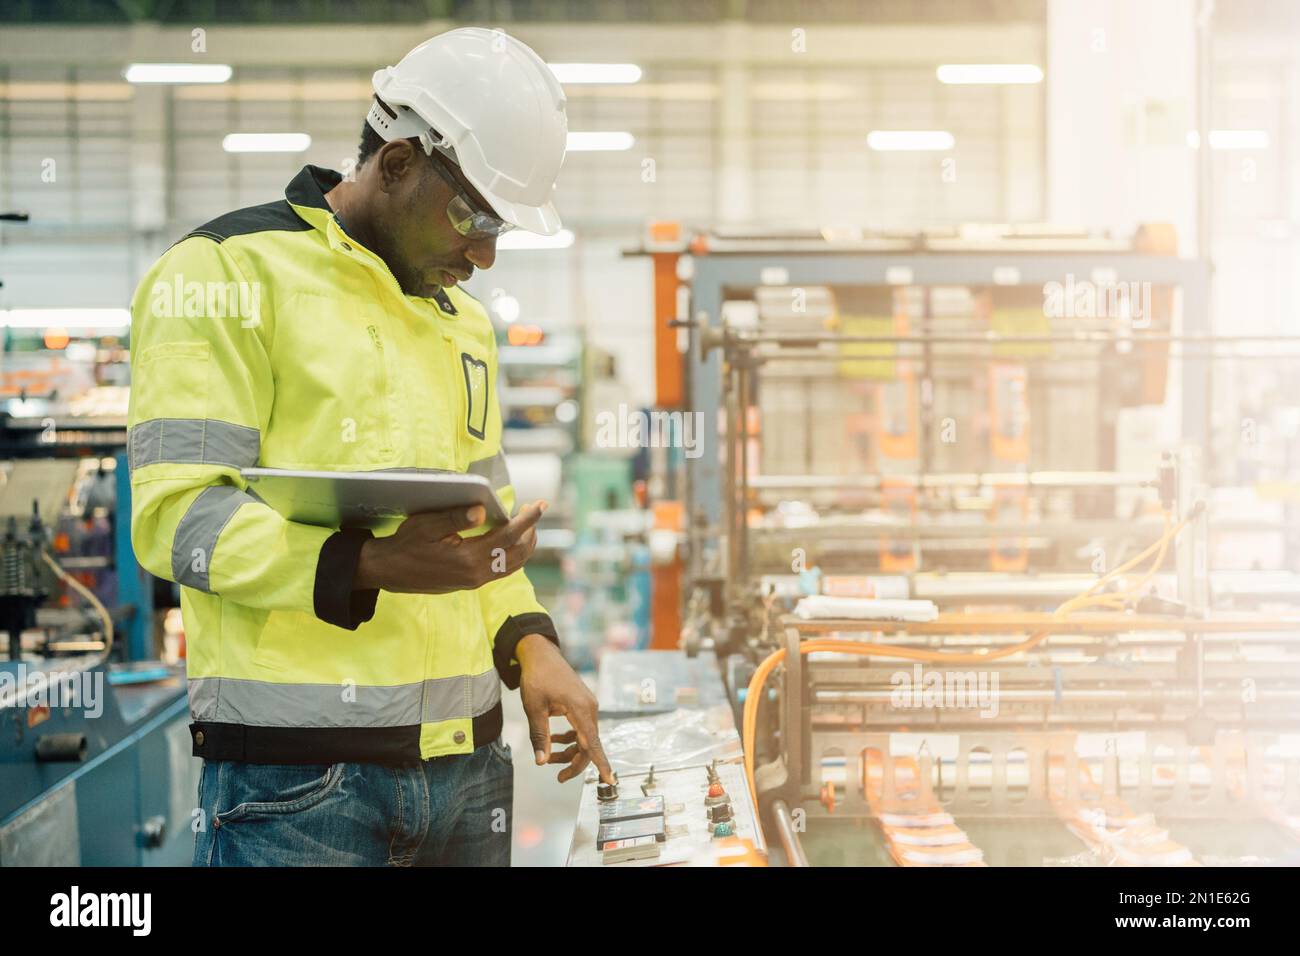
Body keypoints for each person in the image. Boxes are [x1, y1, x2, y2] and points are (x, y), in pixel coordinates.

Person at [127, 27, 613, 866]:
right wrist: (376, 565)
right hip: (299, 791)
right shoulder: (226, 275)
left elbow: (479, 536)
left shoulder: (462, 323)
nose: (486, 254)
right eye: (472, 215)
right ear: (394, 163)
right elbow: (178, 523)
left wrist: (533, 644)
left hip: (468, 773)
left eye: (500, 227)